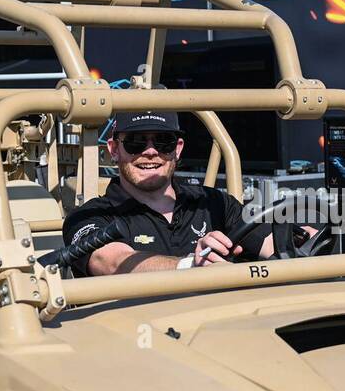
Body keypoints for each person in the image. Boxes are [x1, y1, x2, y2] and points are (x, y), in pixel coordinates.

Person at [60, 111, 278, 276]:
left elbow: (274, 243)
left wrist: (307, 240)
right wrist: (190, 266)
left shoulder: (213, 203)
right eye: (135, 142)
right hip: (138, 332)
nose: (151, 151)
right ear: (114, 149)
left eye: (164, 141)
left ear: (178, 148)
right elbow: (111, 261)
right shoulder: (88, 216)